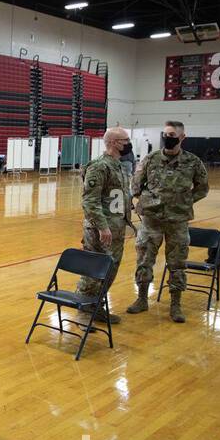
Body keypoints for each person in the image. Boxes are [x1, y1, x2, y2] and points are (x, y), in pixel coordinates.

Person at [127, 120, 209, 324]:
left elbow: (202, 187)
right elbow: (136, 186)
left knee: (177, 264)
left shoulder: (193, 162)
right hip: (151, 220)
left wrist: (183, 201)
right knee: (144, 261)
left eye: (172, 135)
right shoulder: (150, 159)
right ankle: (142, 299)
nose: (167, 138)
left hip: (178, 221)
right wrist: (150, 201)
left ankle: (176, 305)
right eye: (165, 134)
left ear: (182, 138)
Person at [78, 127, 132, 325]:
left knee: (110, 270)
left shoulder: (119, 165)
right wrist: (102, 227)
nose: (128, 143)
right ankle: (84, 313)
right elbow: (89, 201)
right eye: (125, 140)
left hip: (117, 229)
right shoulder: (99, 166)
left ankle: (96, 307)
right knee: (93, 271)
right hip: (101, 231)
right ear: (113, 142)